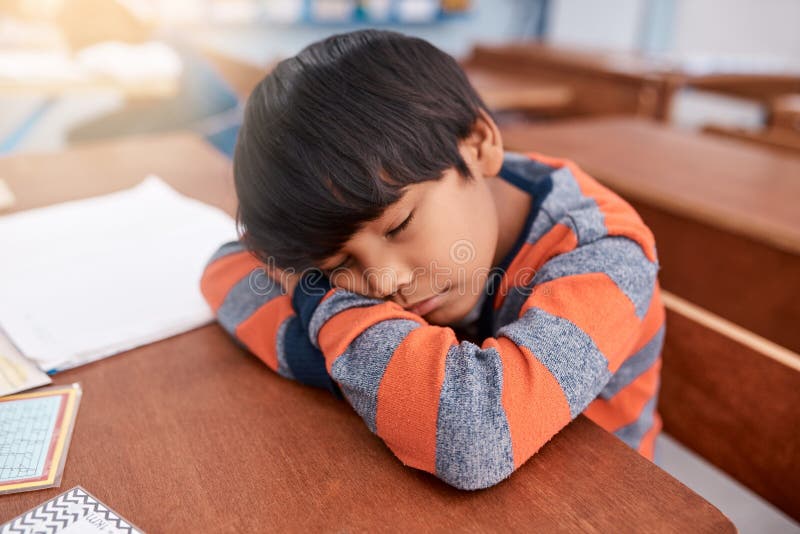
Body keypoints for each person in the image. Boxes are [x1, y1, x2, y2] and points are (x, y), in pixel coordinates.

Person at [200, 29, 664, 491]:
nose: (383, 281)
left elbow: (475, 436)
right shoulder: (425, 186)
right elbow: (224, 269)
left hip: (591, 501)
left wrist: (318, 302)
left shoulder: (604, 253)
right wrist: (391, 384)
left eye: (399, 226)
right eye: (337, 263)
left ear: (479, 144)